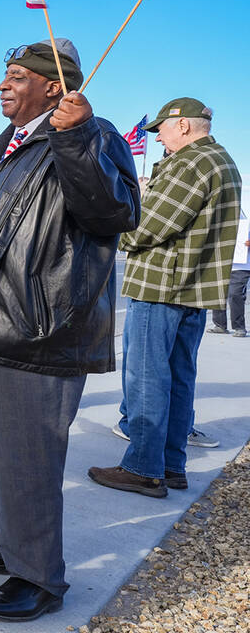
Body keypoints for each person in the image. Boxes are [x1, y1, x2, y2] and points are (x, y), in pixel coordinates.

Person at [0, 39, 139, 622]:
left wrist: (77, 137)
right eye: (4, 74)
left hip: (33, 331)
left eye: (17, 75)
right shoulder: (1, 148)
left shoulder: (92, 136)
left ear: (54, 87)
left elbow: (114, 214)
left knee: (26, 460)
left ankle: (37, 576)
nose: (3, 84)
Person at [89, 98, 242, 498]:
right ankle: (170, 465)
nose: (157, 137)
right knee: (177, 378)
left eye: (163, 129)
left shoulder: (190, 162)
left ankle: (143, 467)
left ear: (185, 127)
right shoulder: (222, 161)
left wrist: (106, 225)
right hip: (192, 289)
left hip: (161, 287)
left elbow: (145, 226)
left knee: (146, 378)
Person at [209, 211, 249, 337]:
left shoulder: (246, 224)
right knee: (217, 293)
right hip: (222, 264)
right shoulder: (218, 225)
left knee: (235, 294)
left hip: (241, 266)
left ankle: (239, 327)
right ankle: (220, 325)